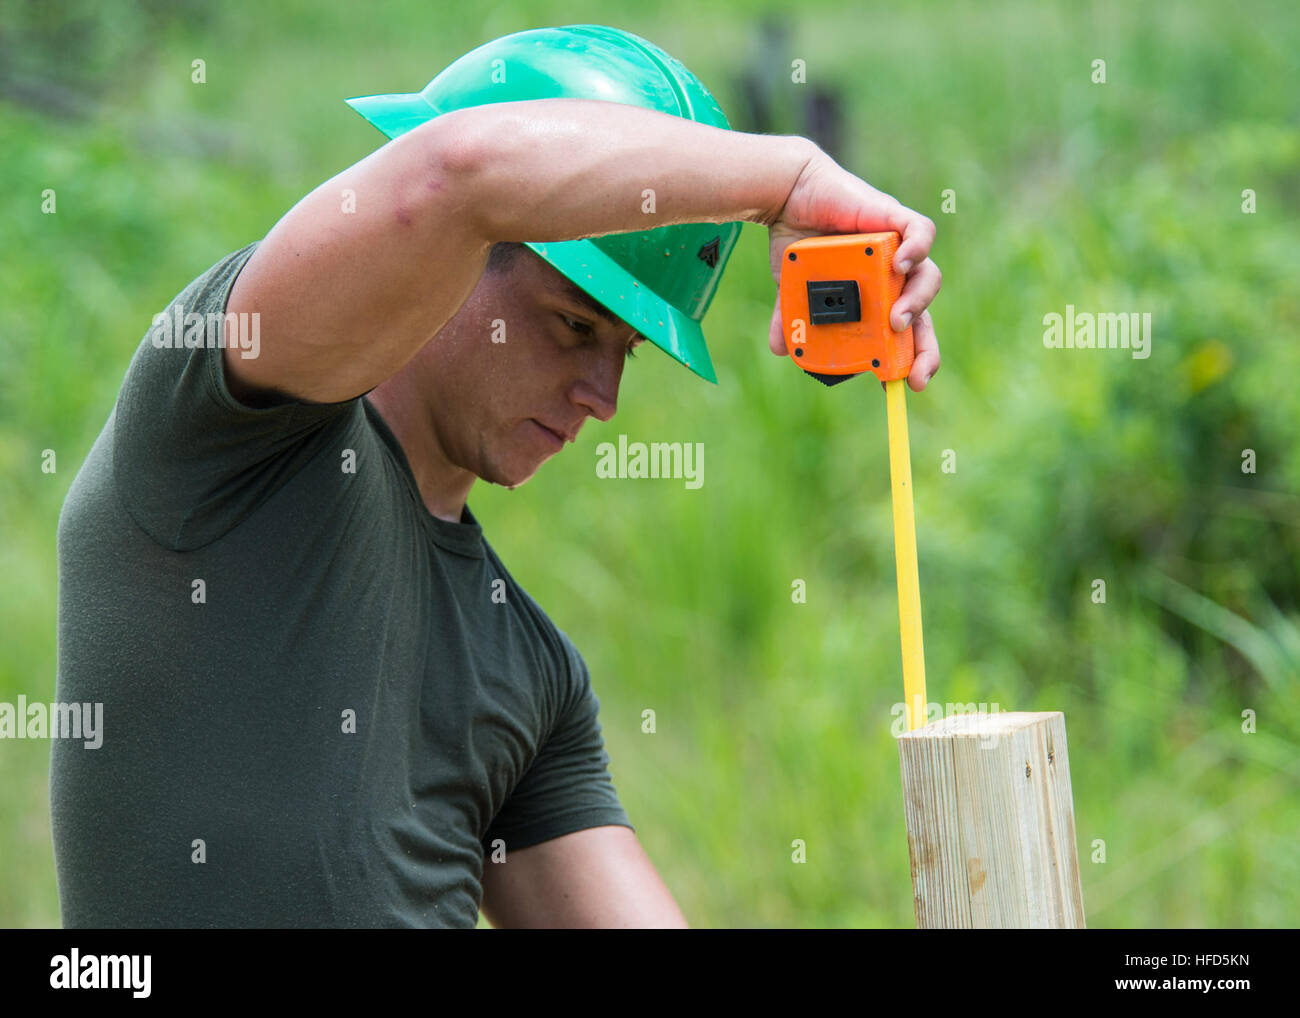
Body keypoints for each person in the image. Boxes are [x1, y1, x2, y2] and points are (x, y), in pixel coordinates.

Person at [50, 25, 941, 929]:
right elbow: (456, 175)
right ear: (452, 259)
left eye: (627, 350)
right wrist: (784, 179)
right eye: (573, 325)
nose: (605, 397)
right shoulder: (229, 431)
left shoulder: (527, 675)